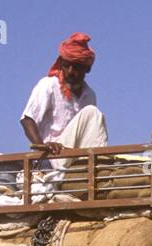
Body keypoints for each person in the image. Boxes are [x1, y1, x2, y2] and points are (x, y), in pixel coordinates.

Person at [19, 32, 107, 190]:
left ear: (87, 69)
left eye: (77, 67)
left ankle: (97, 167)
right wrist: (42, 146)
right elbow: (27, 119)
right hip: (53, 156)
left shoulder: (90, 94)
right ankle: (101, 165)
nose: (71, 71)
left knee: (95, 116)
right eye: (67, 65)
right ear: (61, 64)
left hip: (75, 157)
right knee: (92, 113)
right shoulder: (48, 85)